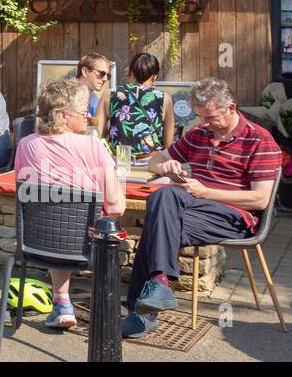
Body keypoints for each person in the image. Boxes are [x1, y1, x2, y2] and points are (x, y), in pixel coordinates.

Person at [122, 78, 285, 339]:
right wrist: (165, 166)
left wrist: (207, 192)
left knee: (158, 221)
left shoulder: (259, 140)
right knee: (164, 200)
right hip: (194, 205)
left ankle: (142, 311)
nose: (204, 125)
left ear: (231, 108)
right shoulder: (200, 134)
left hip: (232, 214)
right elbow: (156, 159)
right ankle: (159, 285)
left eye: (210, 118)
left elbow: (261, 200)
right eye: (200, 118)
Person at [15, 79, 126, 329]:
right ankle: (110, 309)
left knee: (57, 221)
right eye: (82, 111)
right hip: (88, 247)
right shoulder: (93, 145)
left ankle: (63, 303)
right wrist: (121, 184)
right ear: (64, 117)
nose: (88, 115)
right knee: (110, 214)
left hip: (35, 244)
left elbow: (24, 191)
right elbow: (116, 207)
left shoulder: (24, 144)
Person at [107, 52, 175, 156]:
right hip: (150, 161)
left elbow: (96, 132)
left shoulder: (110, 94)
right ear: (155, 76)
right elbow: (168, 145)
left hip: (118, 160)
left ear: (130, 71)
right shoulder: (164, 98)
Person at [76, 52, 110, 134]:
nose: (105, 79)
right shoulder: (67, 96)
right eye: (101, 73)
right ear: (85, 71)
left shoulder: (94, 98)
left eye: (108, 75)